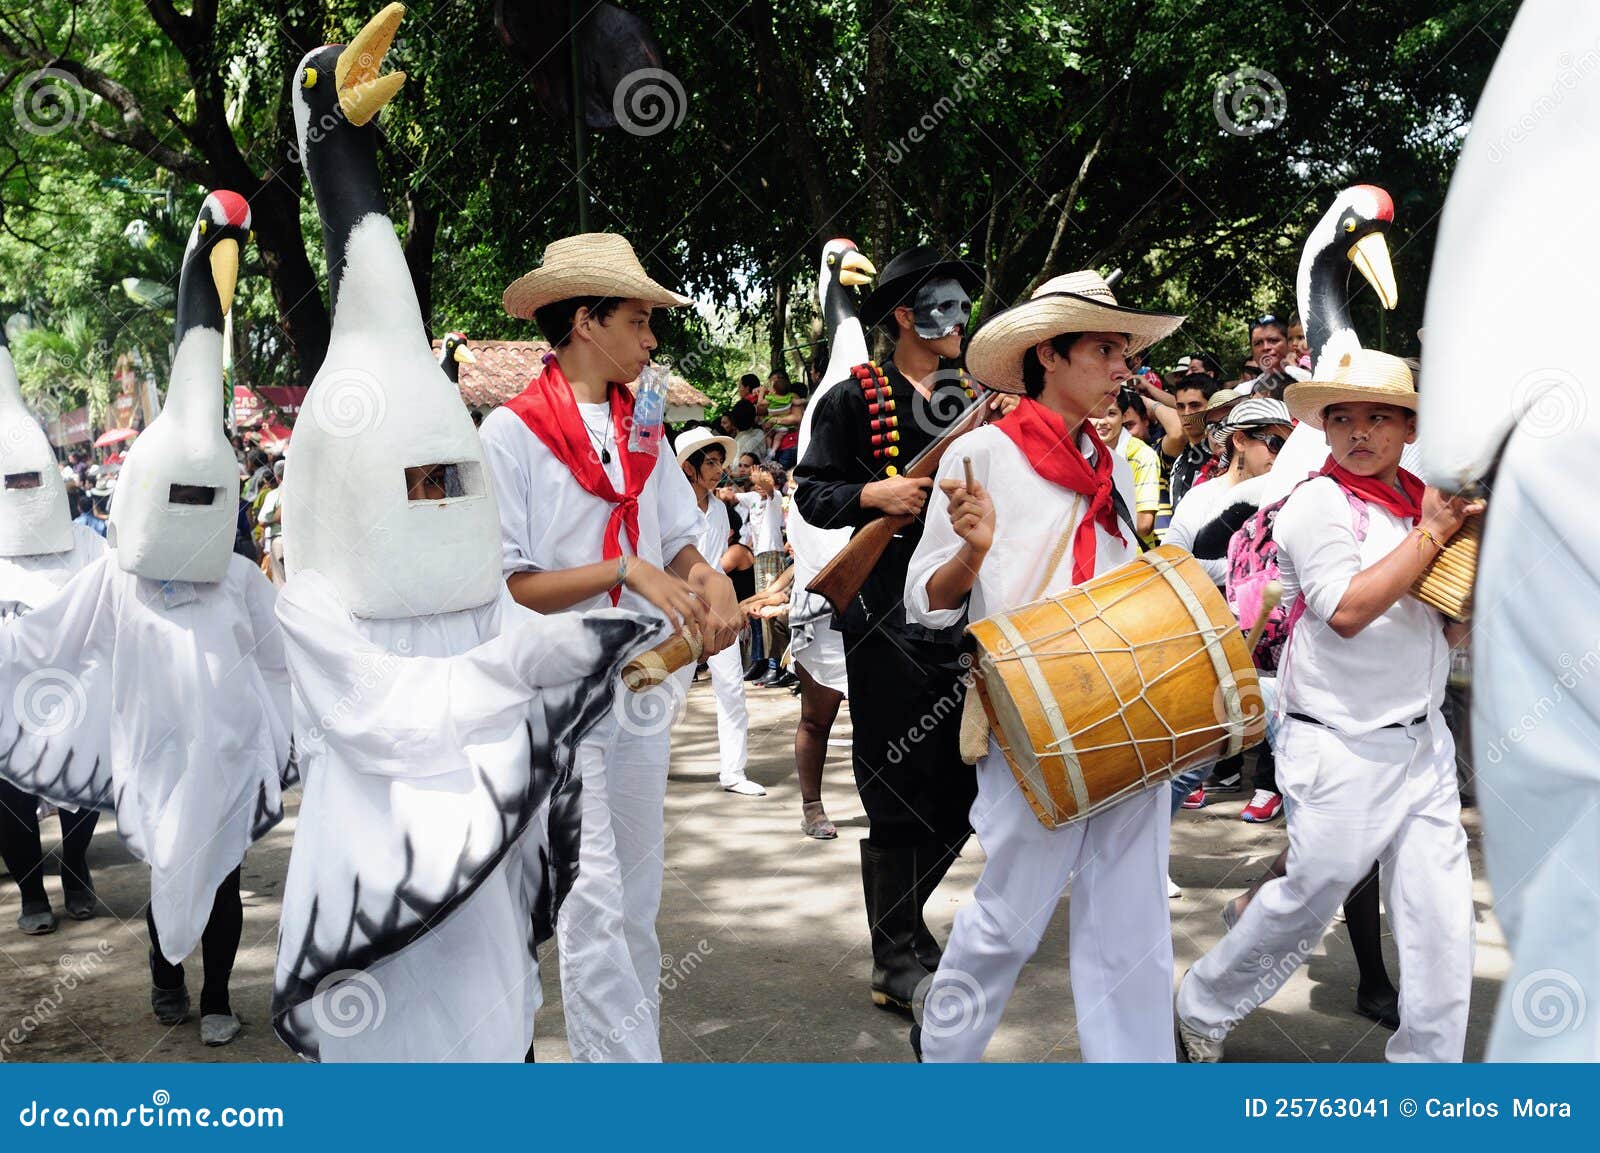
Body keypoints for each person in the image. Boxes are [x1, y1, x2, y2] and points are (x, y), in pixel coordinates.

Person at [4, 193, 286, 1049]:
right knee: (171, 860)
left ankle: (215, 996)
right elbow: (45, 637)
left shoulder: (238, 583)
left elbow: (290, 648)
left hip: (228, 748)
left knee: (225, 875)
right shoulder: (115, 585)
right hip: (150, 748)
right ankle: (167, 980)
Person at [907, 269, 1184, 1061]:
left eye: (1124, 350)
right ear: (1048, 355)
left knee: (1132, 914)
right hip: (1035, 712)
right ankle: (945, 1055)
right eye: (1105, 348)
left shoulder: (1115, 458)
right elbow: (926, 599)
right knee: (1012, 913)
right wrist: (973, 551)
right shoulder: (984, 454)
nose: (1122, 365)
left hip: (1128, 708)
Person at [1177, 350, 1478, 1063]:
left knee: (1441, 919)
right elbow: (1345, 610)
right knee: (1308, 898)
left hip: (1422, 737)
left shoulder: (1421, 500)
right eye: (1341, 418)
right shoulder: (1320, 501)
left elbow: (1445, 626)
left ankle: (1430, 1071)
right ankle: (1202, 1001)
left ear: (1410, 428)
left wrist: (1479, 569)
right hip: (1338, 740)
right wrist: (1434, 535)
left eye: (1378, 417)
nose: (1358, 432)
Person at [483, 232, 741, 1062]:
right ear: (587, 321)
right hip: (559, 691)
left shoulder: (646, 423)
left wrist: (712, 580)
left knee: (634, 896)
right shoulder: (511, 434)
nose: (652, 337)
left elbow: (677, 539)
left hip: (644, 683)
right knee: (590, 895)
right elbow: (513, 581)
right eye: (638, 319)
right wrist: (623, 567)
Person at [795, 244, 986, 1014]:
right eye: (942, 304)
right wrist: (877, 494)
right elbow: (812, 494)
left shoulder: (968, 397)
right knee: (894, 782)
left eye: (963, 305)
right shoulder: (856, 397)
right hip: (879, 609)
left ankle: (901, 923)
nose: (959, 319)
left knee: (967, 785)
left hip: (958, 610)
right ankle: (894, 954)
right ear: (903, 315)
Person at [674, 427, 764, 796]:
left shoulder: (720, 511)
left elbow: (716, 562)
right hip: (678, 608)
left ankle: (733, 771)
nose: (717, 470)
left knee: (730, 688)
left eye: (719, 462)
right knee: (669, 694)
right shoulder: (671, 509)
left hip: (717, 610)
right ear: (688, 468)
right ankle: (647, 764)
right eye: (709, 462)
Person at [736, 463, 790, 687]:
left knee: (768, 611)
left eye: (764, 478)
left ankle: (775, 665)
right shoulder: (753, 499)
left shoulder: (774, 497)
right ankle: (760, 660)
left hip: (772, 556)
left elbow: (768, 487)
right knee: (757, 612)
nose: (758, 482)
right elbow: (731, 494)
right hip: (759, 557)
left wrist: (761, 479)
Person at [1089, 393, 1160, 547]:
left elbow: (1144, 525)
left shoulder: (1143, 456)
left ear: (1124, 416)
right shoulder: (1084, 452)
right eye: (1095, 414)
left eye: (1111, 414)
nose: (1102, 422)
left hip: (1134, 557)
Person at [1166, 374, 1218, 506]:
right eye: (1180, 407)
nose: (1187, 413)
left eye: (1194, 405)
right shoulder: (1179, 460)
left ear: (1212, 407)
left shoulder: (1225, 456)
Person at [1246, 314, 1311, 400]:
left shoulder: (1319, 372)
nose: (1266, 347)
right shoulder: (1242, 392)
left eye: (1273, 340)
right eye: (1258, 343)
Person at [763, 371, 805, 469]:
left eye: (773, 381)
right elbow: (759, 409)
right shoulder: (772, 398)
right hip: (776, 447)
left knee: (783, 476)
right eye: (770, 382)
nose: (772, 384)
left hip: (789, 445)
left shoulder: (791, 396)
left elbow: (796, 418)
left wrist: (774, 420)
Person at [257, 458, 287, 585]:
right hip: (301, 541)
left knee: (281, 583)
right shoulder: (304, 492)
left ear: (276, 476)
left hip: (280, 542)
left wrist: (275, 519)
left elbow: (262, 520)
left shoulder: (275, 494)